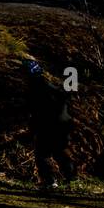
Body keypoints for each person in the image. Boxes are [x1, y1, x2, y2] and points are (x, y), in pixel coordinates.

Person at [24, 59, 75, 190]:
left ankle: (50, 181)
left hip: (49, 123)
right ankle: (71, 179)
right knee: (59, 150)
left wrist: (33, 127)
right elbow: (65, 97)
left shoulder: (35, 87)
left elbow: (34, 110)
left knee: (42, 153)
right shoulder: (49, 85)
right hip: (64, 122)